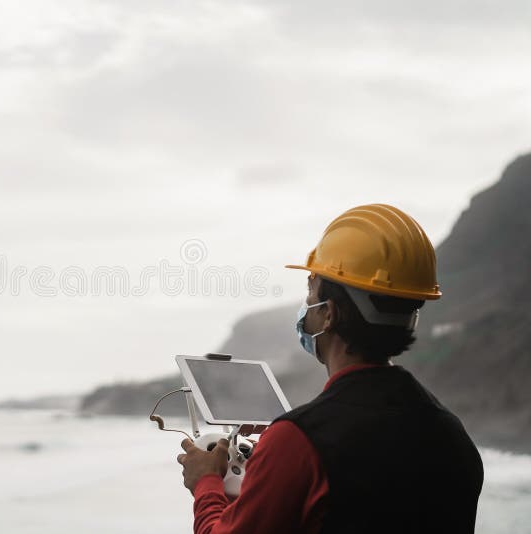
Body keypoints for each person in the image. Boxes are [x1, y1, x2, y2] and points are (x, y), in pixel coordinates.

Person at [177, 204, 484, 534]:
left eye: (311, 291)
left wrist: (206, 483)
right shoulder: (453, 436)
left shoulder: (297, 443)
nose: (305, 305)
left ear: (329, 314)